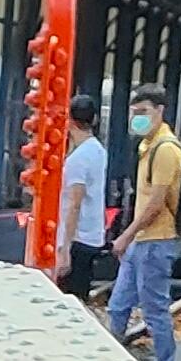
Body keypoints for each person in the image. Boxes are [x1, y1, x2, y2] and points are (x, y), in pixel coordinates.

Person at [105, 96, 181, 361]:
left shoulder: (166, 150)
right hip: (141, 240)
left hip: (155, 241)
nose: (138, 118)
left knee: (154, 310)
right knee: (118, 305)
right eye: (134, 112)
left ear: (160, 111)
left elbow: (155, 205)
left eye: (143, 112)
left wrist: (124, 236)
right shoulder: (147, 147)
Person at [57, 91, 110, 298]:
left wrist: (65, 249)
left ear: (69, 121)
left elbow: (74, 204)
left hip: (77, 239)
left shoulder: (77, 160)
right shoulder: (98, 150)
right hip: (92, 235)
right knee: (80, 295)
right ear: (95, 119)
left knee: (70, 299)